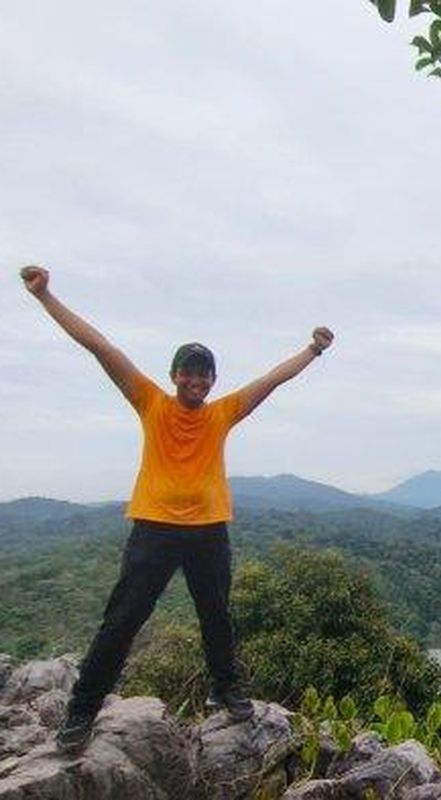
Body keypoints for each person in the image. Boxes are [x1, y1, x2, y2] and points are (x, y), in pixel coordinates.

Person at [18, 265, 335, 753]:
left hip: (209, 531)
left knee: (216, 616)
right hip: (154, 530)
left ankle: (226, 690)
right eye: (188, 370)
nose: (195, 379)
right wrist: (46, 297)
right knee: (122, 620)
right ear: (174, 376)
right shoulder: (151, 402)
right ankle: (82, 710)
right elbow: (99, 346)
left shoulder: (221, 412)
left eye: (203, 372)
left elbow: (272, 379)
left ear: (211, 380)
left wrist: (312, 350)